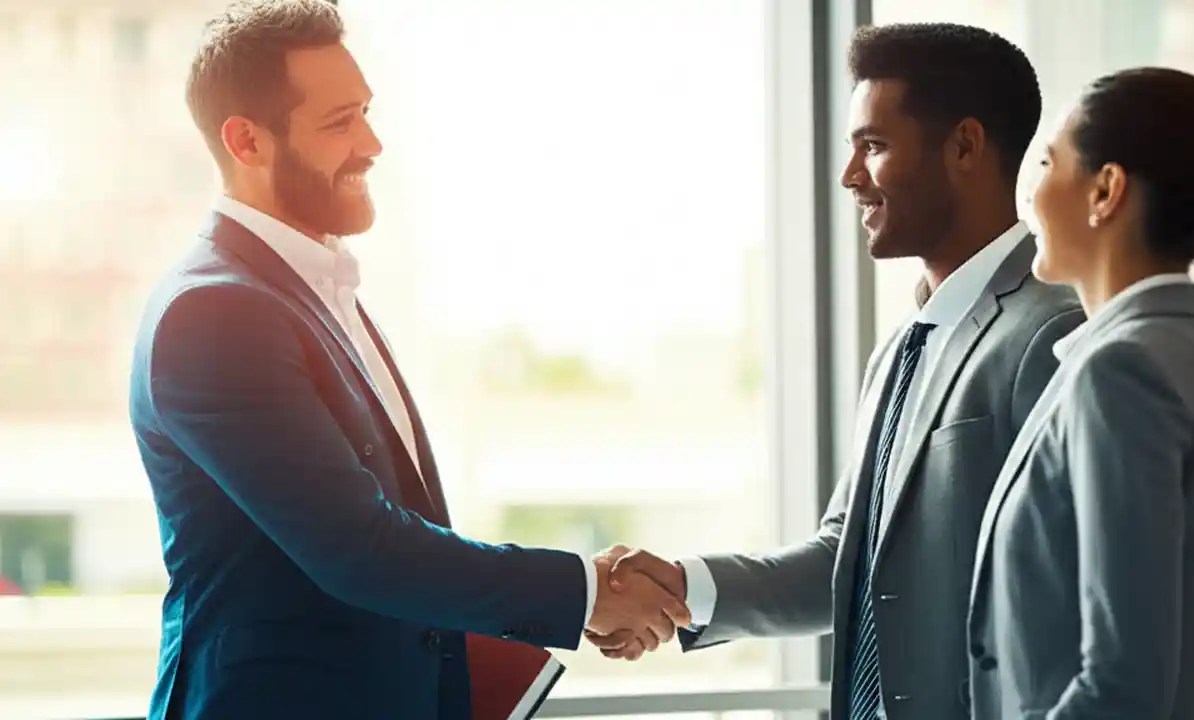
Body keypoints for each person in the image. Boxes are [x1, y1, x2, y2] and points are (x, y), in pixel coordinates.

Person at [128, 2, 687, 718]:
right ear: (246, 141)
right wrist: (584, 591)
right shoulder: (213, 315)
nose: (371, 144)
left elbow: (397, 533)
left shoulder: (317, 290)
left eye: (365, 112)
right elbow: (360, 549)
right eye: (339, 123)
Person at [589, 23, 1083, 720]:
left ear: (965, 146)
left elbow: (1080, 604)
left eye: (873, 146)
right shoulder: (899, 352)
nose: (850, 176)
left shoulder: (1053, 334)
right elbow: (847, 566)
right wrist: (678, 585)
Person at [967, 67, 1194, 719]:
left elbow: (1122, 686)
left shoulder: (1120, 374)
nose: (1031, 195)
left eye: (1048, 162)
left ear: (1105, 190)